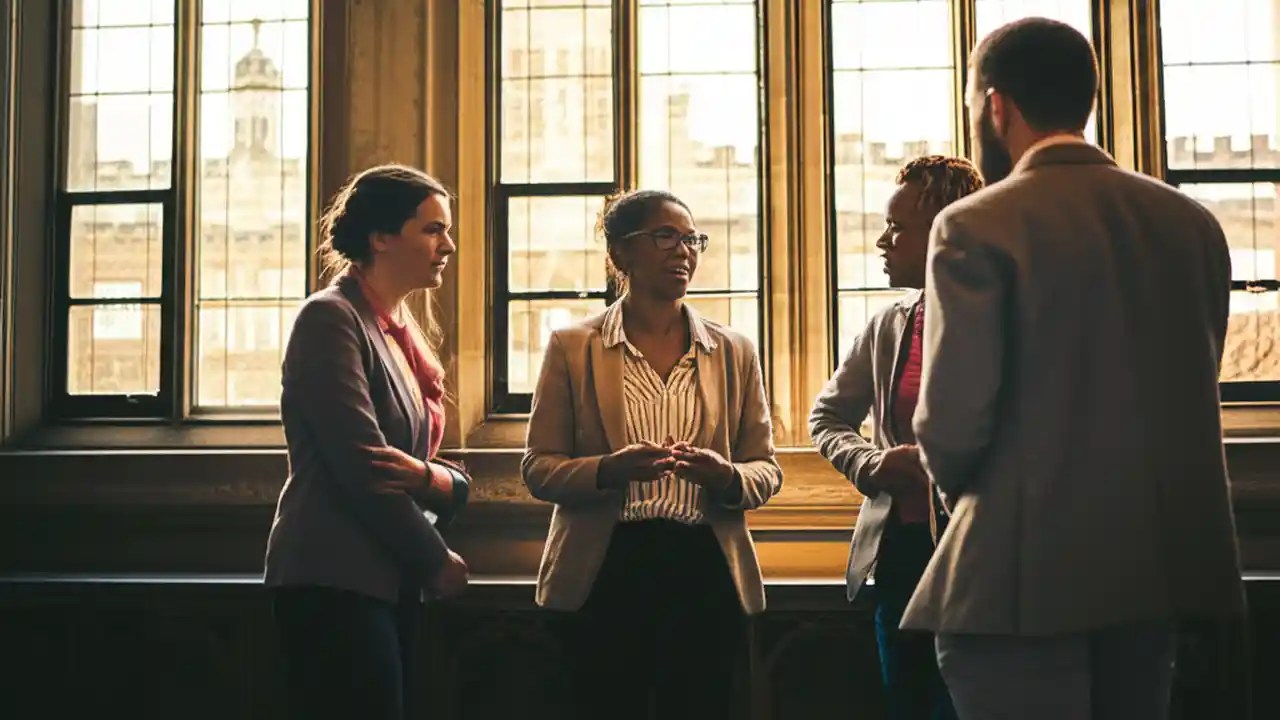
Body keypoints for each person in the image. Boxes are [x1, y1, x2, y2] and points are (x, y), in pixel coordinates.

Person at [900, 18, 1246, 720]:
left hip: (1019, 579)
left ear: (995, 105)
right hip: (1156, 576)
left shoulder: (975, 224)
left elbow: (954, 427)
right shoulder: (1193, 224)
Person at [521, 189, 783, 720]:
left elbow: (766, 468)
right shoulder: (573, 347)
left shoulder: (733, 350)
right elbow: (538, 467)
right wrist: (607, 471)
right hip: (606, 567)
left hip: (703, 566)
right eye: (665, 236)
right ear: (621, 254)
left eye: (692, 240)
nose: (683, 251)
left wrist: (726, 477)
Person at [264, 164, 472, 720]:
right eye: (432, 229)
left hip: (388, 577)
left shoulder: (397, 326)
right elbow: (365, 466)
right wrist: (436, 561)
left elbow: (416, 463)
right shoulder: (329, 318)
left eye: (446, 230)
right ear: (381, 237)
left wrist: (443, 482)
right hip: (333, 577)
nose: (448, 244)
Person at [810, 155, 983, 720]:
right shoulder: (889, 324)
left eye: (896, 227)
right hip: (902, 558)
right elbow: (828, 418)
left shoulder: (1002, 316)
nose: (883, 242)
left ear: (944, 230)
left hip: (981, 551)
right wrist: (871, 464)